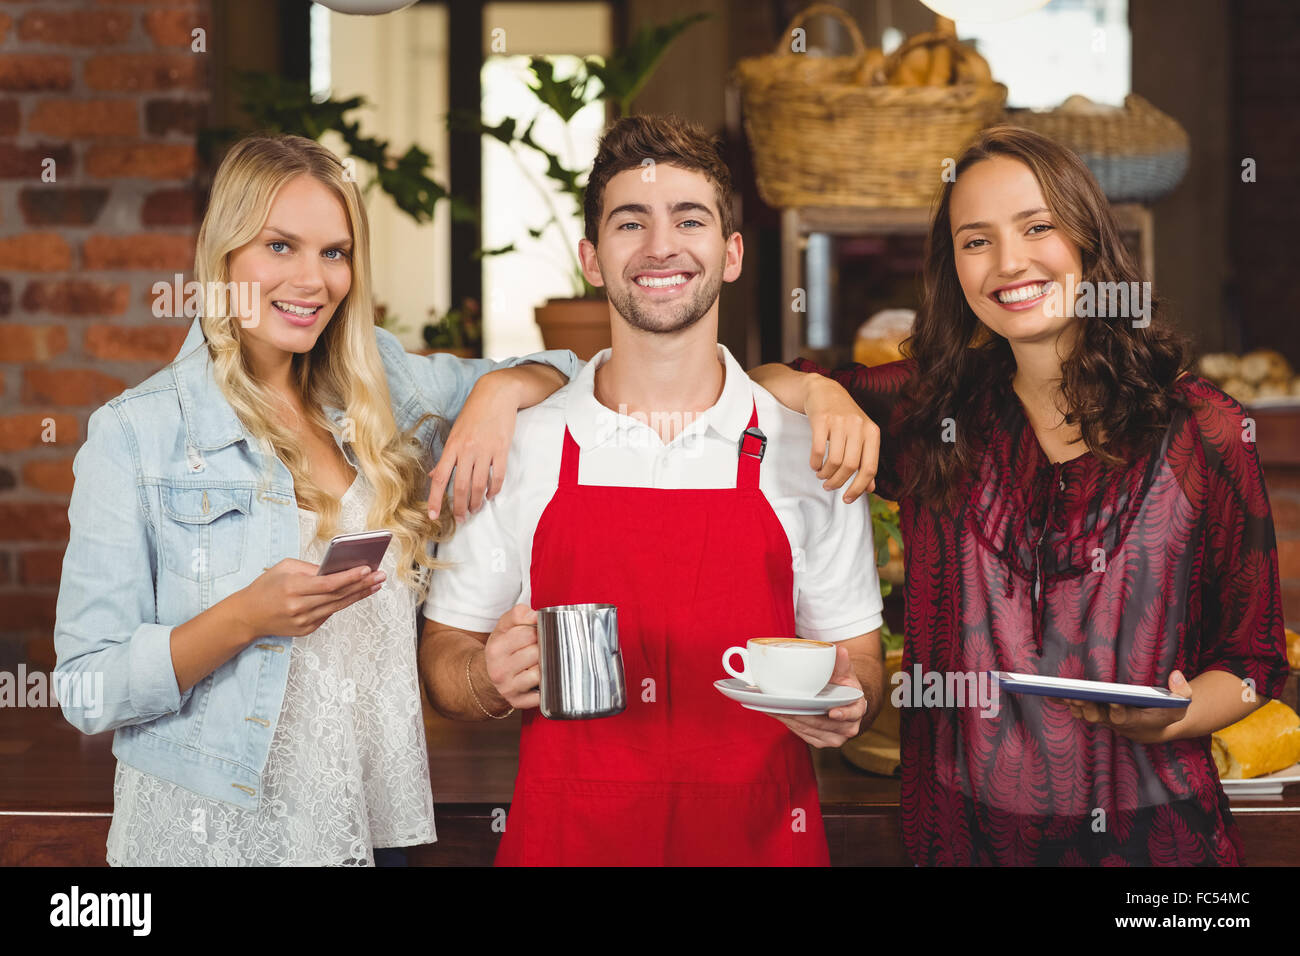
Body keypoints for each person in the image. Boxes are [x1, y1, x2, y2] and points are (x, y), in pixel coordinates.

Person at [752, 125, 1290, 865]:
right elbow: (743, 388)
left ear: (1089, 242)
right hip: (963, 838)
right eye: (976, 241)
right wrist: (820, 391)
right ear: (955, 270)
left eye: (1037, 227)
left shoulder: (1206, 430)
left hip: (1158, 844)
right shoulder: (931, 411)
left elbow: (1256, 657)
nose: (1010, 263)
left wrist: (1185, 711)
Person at [52, 134, 580, 866]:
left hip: (363, 829)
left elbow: (580, 370)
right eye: (279, 246)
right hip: (215, 841)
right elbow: (86, 688)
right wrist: (244, 619)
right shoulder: (136, 435)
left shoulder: (384, 388)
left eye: (335, 253)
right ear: (224, 256)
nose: (312, 280)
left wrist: (501, 389)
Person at [417, 114, 885, 866]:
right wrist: (483, 677)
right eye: (630, 223)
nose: (660, 247)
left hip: (762, 844)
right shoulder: (521, 440)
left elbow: (861, 660)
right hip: (566, 842)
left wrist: (848, 701)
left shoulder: (807, 444)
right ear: (593, 259)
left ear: (730, 254)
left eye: (689, 220)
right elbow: (445, 655)